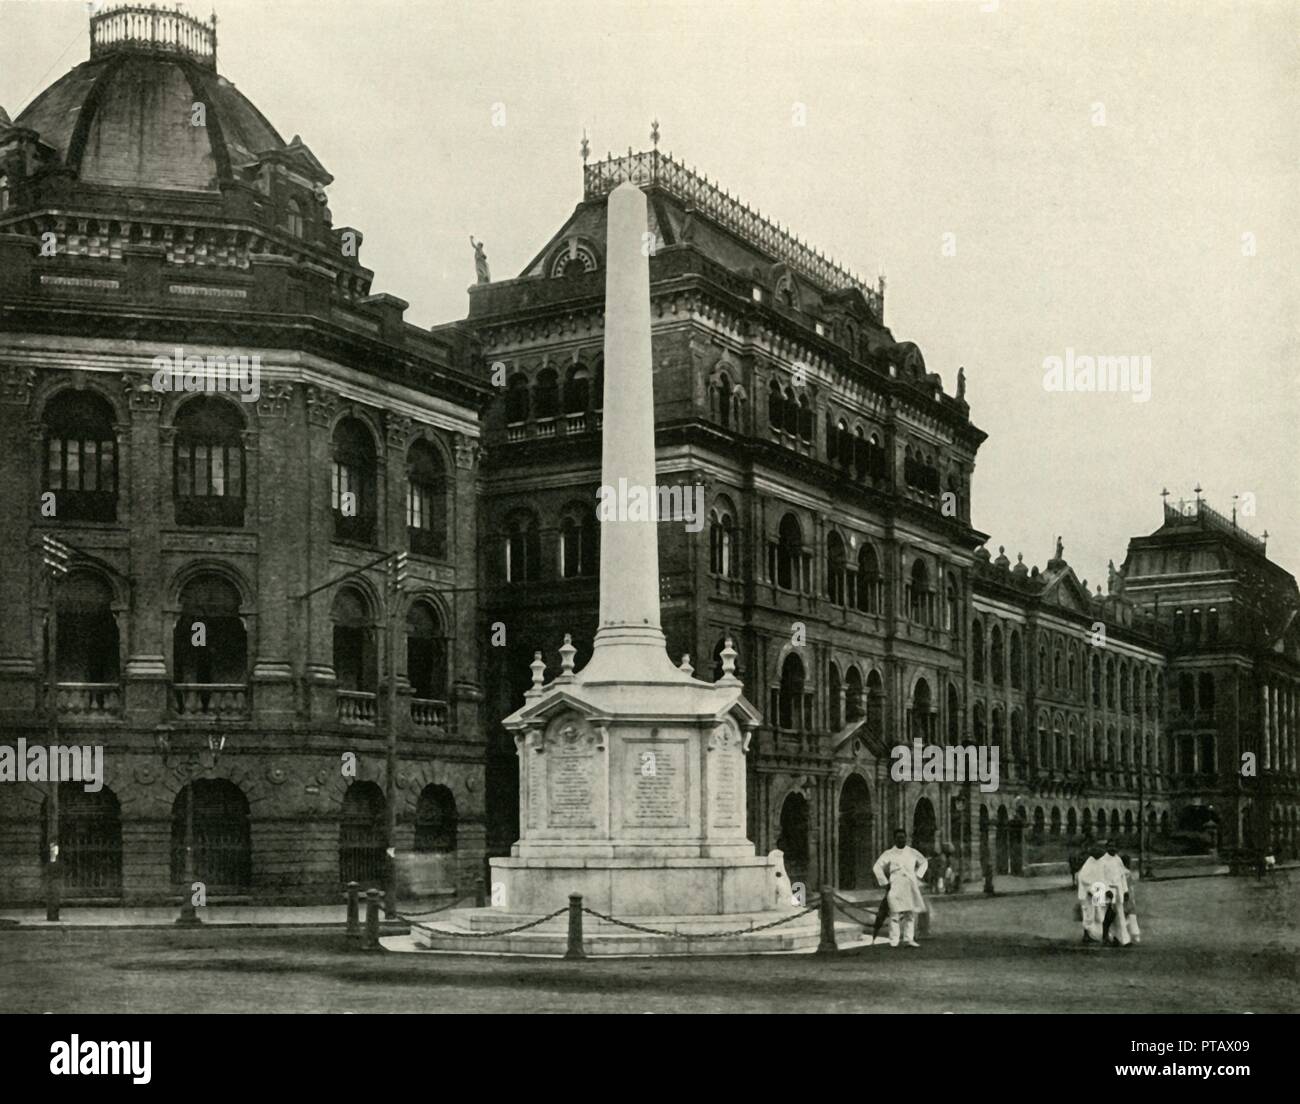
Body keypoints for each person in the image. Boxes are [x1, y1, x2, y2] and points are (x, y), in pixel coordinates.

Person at [872, 828, 928, 948]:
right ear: (895, 839)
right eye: (898, 838)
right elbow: (877, 867)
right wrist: (885, 882)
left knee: (910, 913)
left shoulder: (912, 852)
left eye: (903, 837)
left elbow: (924, 862)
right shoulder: (889, 853)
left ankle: (909, 939)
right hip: (896, 884)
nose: (901, 840)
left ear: (906, 838)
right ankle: (894, 940)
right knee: (894, 913)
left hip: (910, 884)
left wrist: (918, 875)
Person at [1098, 840, 1132, 946]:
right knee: (1109, 916)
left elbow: (1122, 877)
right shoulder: (1102, 861)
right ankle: (1106, 937)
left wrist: (1125, 890)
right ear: (1106, 848)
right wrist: (1107, 890)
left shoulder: (1118, 860)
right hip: (1108, 892)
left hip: (1119, 890)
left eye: (1115, 846)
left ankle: (1122, 939)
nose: (1113, 849)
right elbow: (1101, 877)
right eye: (1110, 846)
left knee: (1120, 915)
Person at [1075, 841, 1106, 943]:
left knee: (1099, 913)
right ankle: (1087, 934)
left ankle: (1096, 934)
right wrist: (1090, 890)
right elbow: (1083, 878)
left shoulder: (1101, 862)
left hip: (1098, 891)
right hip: (1088, 893)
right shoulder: (1089, 862)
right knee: (1088, 914)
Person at [1120, 853, 1142, 945]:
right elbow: (1130, 887)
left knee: (1124, 915)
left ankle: (1126, 933)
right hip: (1127, 896)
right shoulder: (1127, 873)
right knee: (1131, 915)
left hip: (1122, 896)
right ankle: (1135, 934)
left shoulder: (1120, 872)